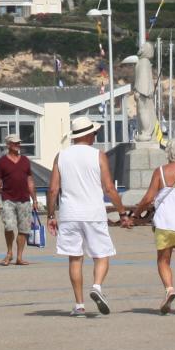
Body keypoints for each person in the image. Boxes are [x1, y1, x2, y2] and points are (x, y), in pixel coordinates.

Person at [48, 116, 124, 317]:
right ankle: (97, 286)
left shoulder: (61, 156)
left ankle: (79, 304)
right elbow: (109, 187)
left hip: (69, 214)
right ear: (89, 134)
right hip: (93, 213)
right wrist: (123, 213)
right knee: (101, 255)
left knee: (75, 258)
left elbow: (53, 189)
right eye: (95, 133)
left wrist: (50, 215)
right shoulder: (98, 155)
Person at [123, 137, 175, 314]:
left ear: (168, 152)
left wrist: (134, 216)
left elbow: (147, 198)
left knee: (163, 260)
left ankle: (169, 289)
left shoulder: (160, 172)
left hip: (165, 222)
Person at [0, 132, 39, 266]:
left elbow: (30, 180)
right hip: (8, 199)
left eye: (19, 143)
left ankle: (19, 257)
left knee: (23, 229)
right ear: (8, 145)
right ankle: (9, 252)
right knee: (9, 226)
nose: (18, 145)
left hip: (24, 199)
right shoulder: (1, 162)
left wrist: (34, 200)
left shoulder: (25, 161)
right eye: (15, 143)